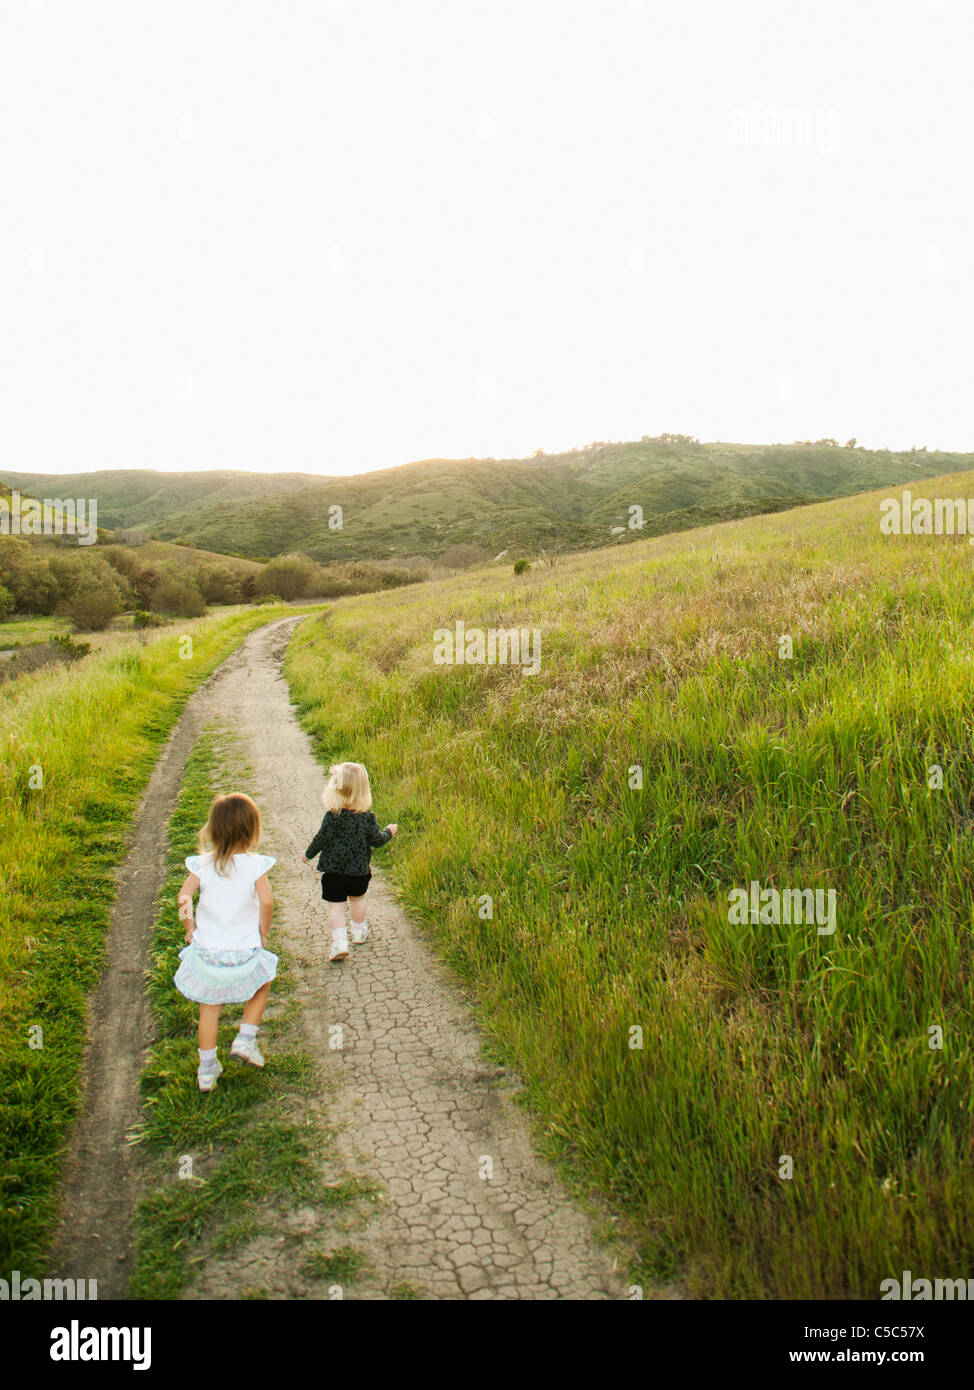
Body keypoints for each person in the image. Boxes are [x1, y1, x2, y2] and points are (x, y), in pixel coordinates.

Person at [174, 792, 277, 1090]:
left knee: (210, 1005)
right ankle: (246, 1038)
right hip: (244, 952)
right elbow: (267, 902)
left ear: (214, 829)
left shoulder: (203, 864)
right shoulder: (255, 865)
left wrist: (189, 926)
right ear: (251, 830)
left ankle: (206, 1071)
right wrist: (262, 931)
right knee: (263, 982)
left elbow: (183, 897)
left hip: (208, 954)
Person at [303, 761, 397, 962]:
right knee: (358, 900)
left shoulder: (332, 816)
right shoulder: (366, 818)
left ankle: (339, 942)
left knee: (336, 907)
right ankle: (359, 932)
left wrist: (308, 854)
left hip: (334, 873)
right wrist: (389, 832)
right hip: (359, 873)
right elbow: (377, 840)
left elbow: (320, 839)